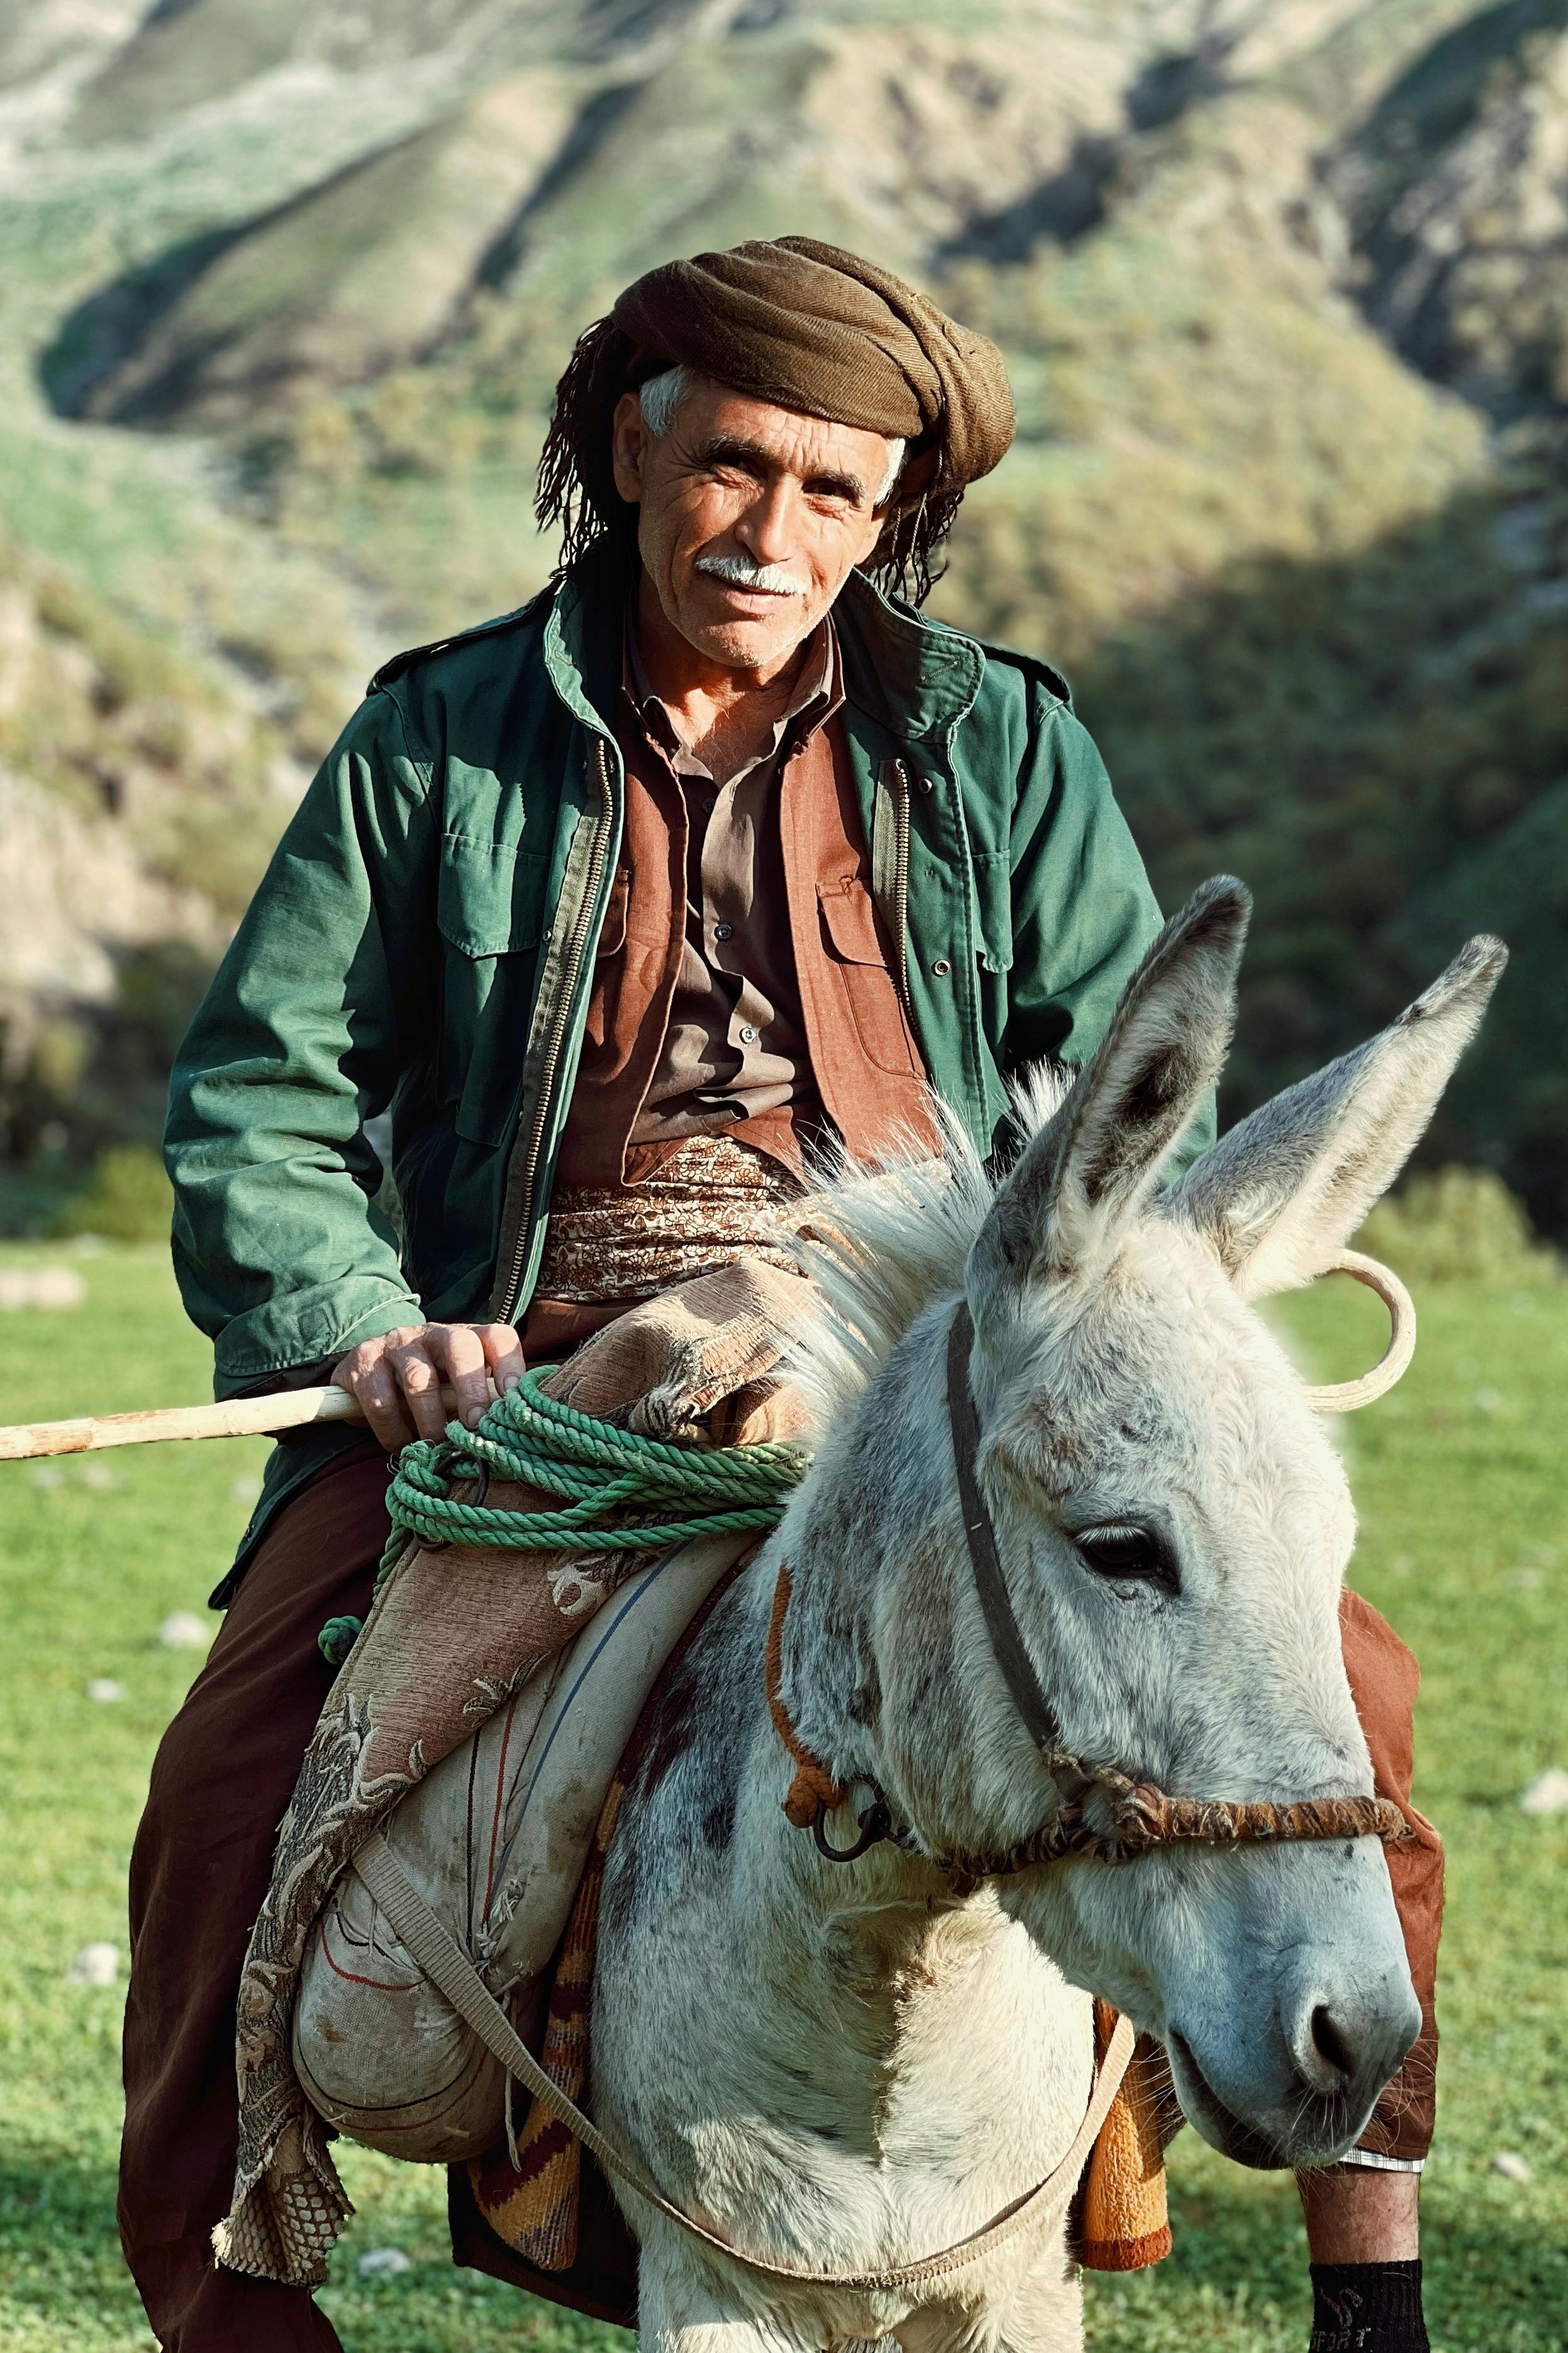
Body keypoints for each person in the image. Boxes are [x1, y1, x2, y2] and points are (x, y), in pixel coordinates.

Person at [121, 237, 1438, 2353]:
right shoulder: (434, 740)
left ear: (893, 514)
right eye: (737, 467)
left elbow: (1126, 1126)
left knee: (1339, 1690)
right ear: (636, 446)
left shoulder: (998, 747)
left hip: (921, 1341)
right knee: (216, 1790)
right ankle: (233, 2307)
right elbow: (262, 1098)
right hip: (545, 1373)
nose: (776, 533)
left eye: (839, 494)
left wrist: (1082, 1318)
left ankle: (1368, 2285)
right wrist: (365, 1320)